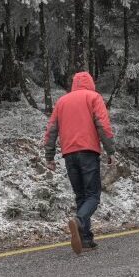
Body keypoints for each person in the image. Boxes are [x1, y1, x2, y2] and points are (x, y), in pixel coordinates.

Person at [42, 71, 116, 254]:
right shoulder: (94, 97)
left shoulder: (62, 101)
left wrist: (49, 156)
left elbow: (51, 130)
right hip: (88, 152)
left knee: (81, 196)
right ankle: (79, 221)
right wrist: (110, 151)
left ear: (74, 84)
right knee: (93, 196)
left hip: (69, 154)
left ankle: (85, 240)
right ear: (91, 83)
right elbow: (103, 125)